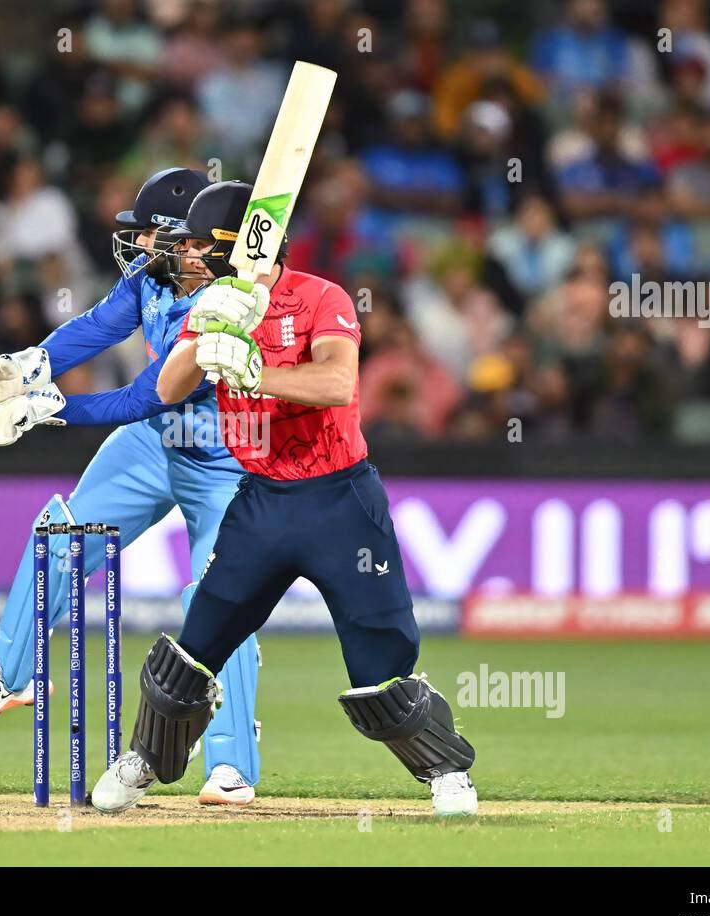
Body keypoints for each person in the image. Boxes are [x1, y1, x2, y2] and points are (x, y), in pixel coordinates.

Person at [87, 180, 478, 815]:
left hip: (339, 503)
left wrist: (252, 370)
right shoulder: (213, 301)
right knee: (192, 651)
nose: (182, 256)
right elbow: (165, 388)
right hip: (260, 501)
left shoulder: (319, 296)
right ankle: (145, 763)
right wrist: (205, 337)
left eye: (192, 245)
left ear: (227, 244)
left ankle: (445, 772)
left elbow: (336, 381)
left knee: (380, 669)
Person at [0, 169, 263, 806]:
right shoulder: (150, 278)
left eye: (152, 235)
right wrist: (27, 366)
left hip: (227, 461)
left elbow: (146, 396)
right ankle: (12, 671)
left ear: (191, 238)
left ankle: (230, 763)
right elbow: (95, 328)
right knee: (60, 534)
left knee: (220, 597)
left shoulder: (226, 303)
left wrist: (46, 409)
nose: (141, 246)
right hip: (155, 446)